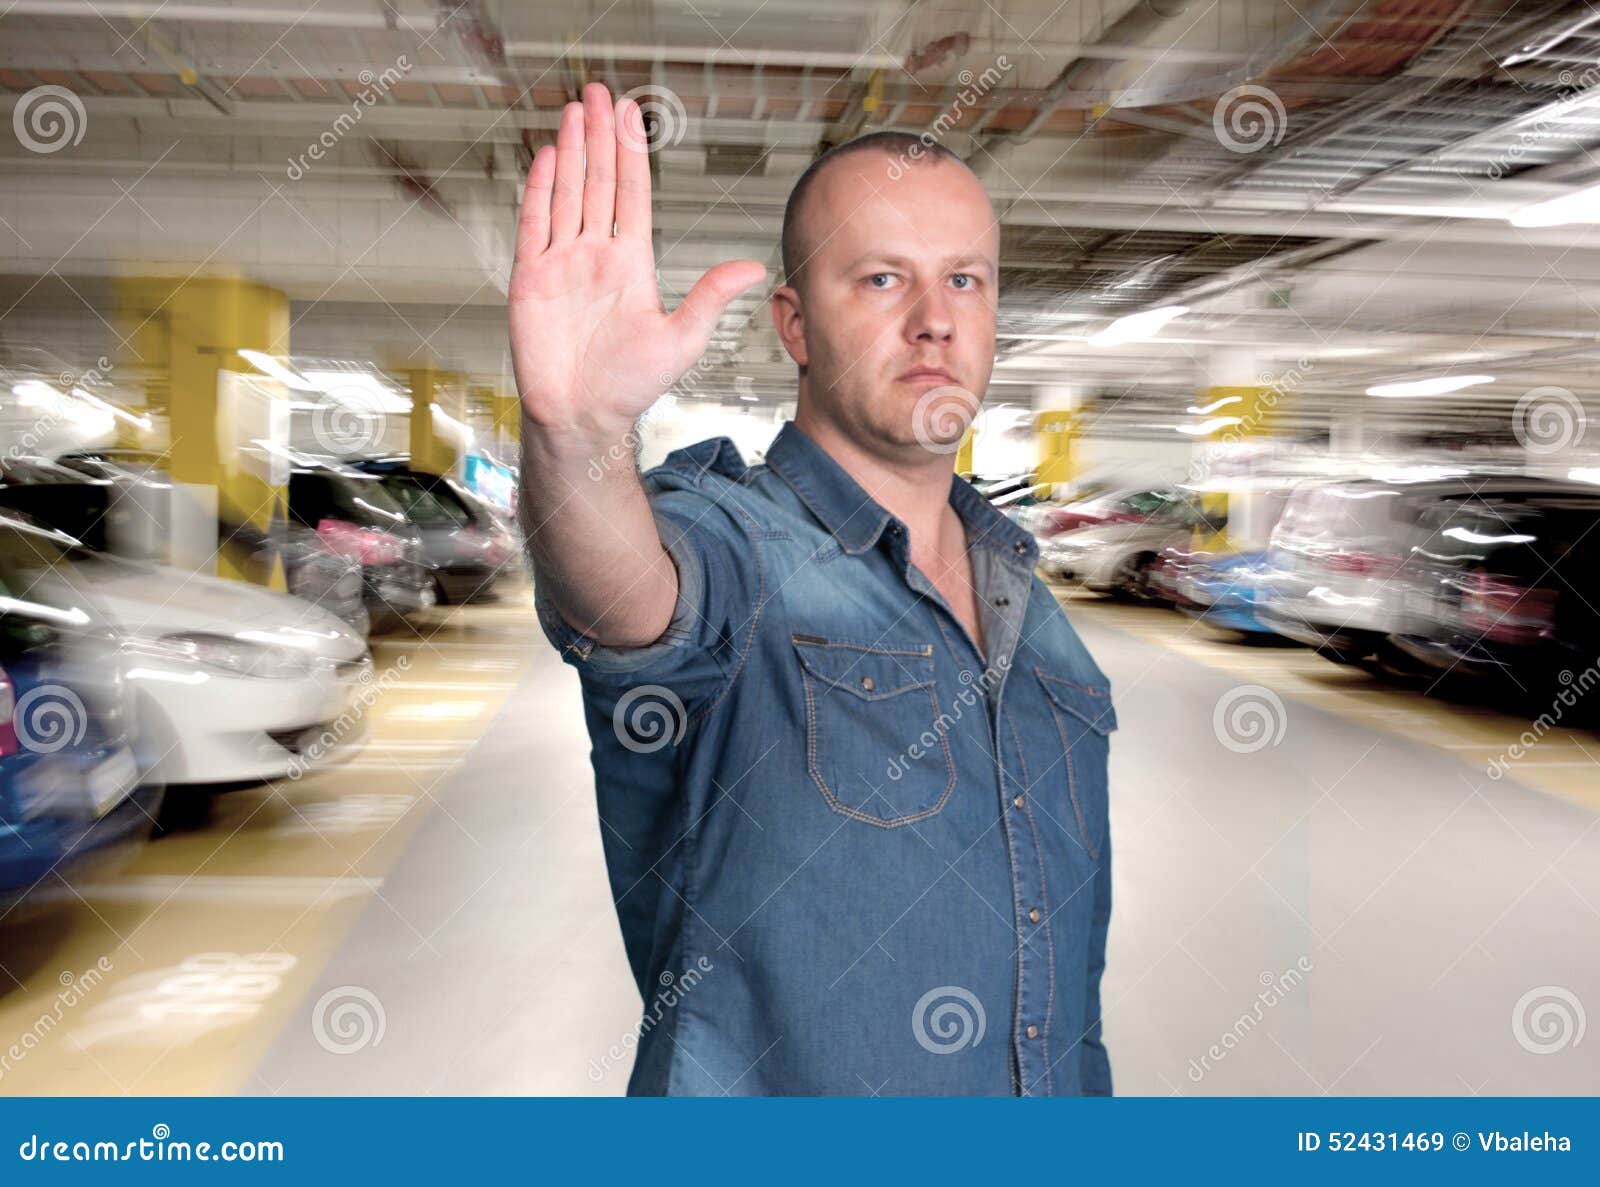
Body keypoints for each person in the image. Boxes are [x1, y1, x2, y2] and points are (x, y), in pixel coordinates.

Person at [511, 82, 1118, 1096]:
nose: (935, 320)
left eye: (965, 279)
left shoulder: (1037, 614)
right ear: (793, 324)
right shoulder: (736, 545)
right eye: (882, 279)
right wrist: (576, 434)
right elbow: (625, 599)